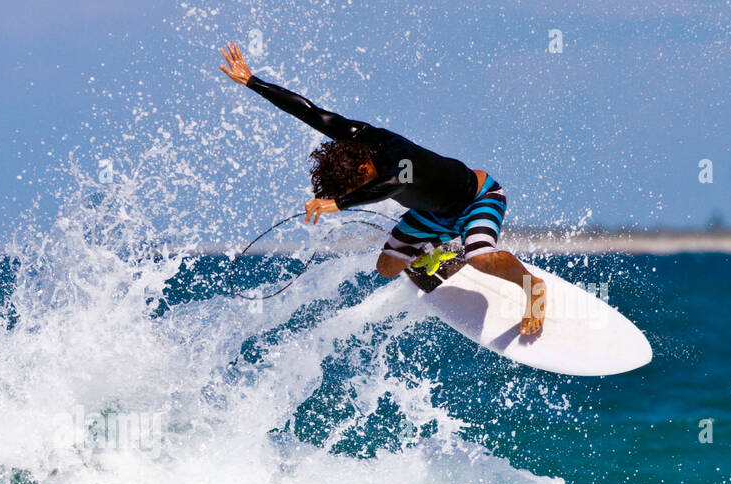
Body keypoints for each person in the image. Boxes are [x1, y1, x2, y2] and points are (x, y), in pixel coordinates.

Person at [219, 41, 545, 334]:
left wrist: (339, 204)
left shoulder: (397, 156)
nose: (365, 188)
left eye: (361, 182)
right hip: (431, 214)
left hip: (477, 199)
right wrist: (252, 81)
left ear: (364, 166)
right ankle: (444, 253)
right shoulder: (352, 135)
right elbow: (309, 111)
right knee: (388, 267)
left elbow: (396, 182)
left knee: (479, 257)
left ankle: (532, 287)